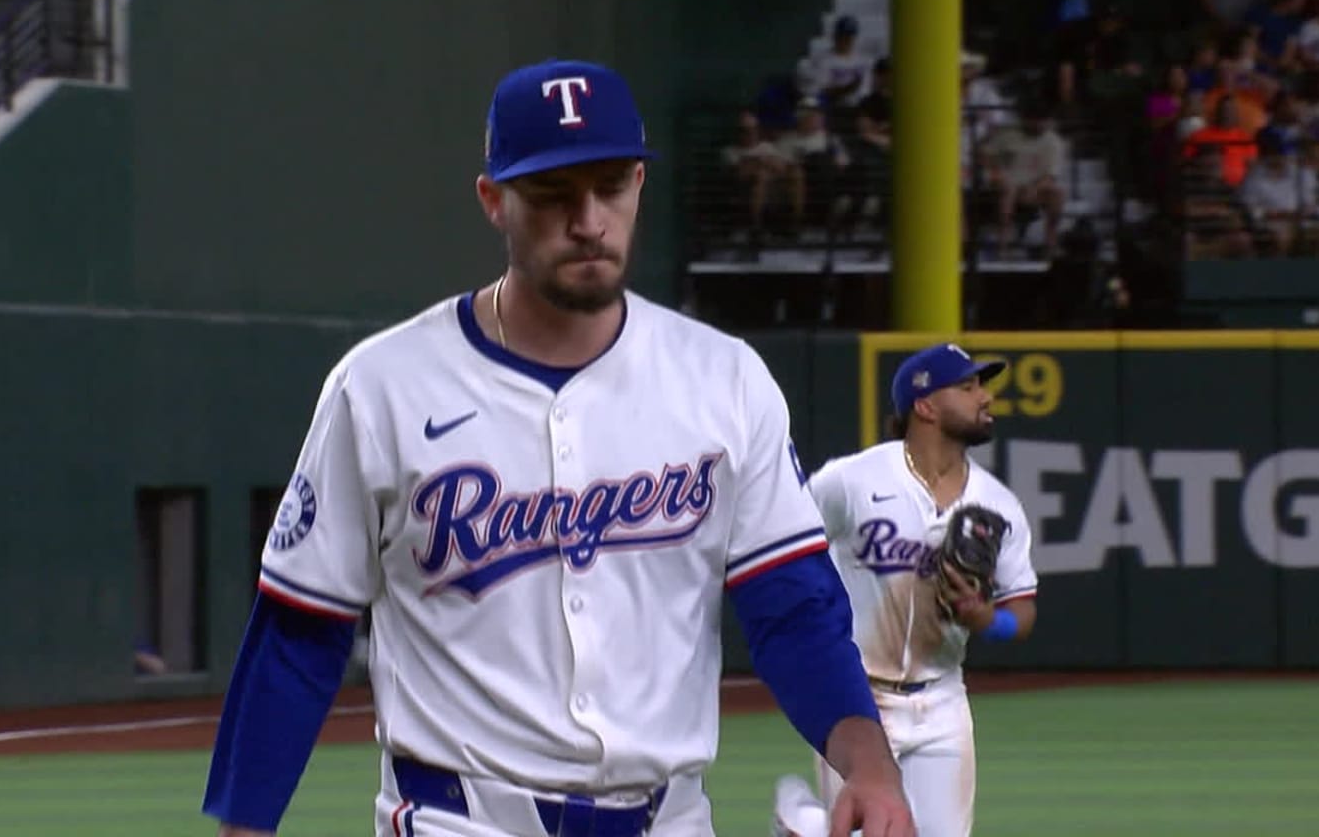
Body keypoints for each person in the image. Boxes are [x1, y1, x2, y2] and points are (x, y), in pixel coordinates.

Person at [201, 58, 915, 837]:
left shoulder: (725, 381)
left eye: (610, 186)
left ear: (639, 184)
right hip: (460, 819)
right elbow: (299, 633)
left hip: (669, 818)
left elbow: (794, 611)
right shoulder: (381, 388)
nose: (588, 219)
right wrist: (246, 827)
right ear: (494, 202)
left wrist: (870, 767)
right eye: (552, 193)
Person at [789, 343, 1041, 837]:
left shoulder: (999, 504)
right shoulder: (853, 480)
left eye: (981, 385)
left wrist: (987, 619)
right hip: (856, 698)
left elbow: (1022, 607)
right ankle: (809, 825)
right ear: (924, 405)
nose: (984, 397)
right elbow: (787, 545)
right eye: (967, 387)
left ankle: (807, 828)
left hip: (943, 700)